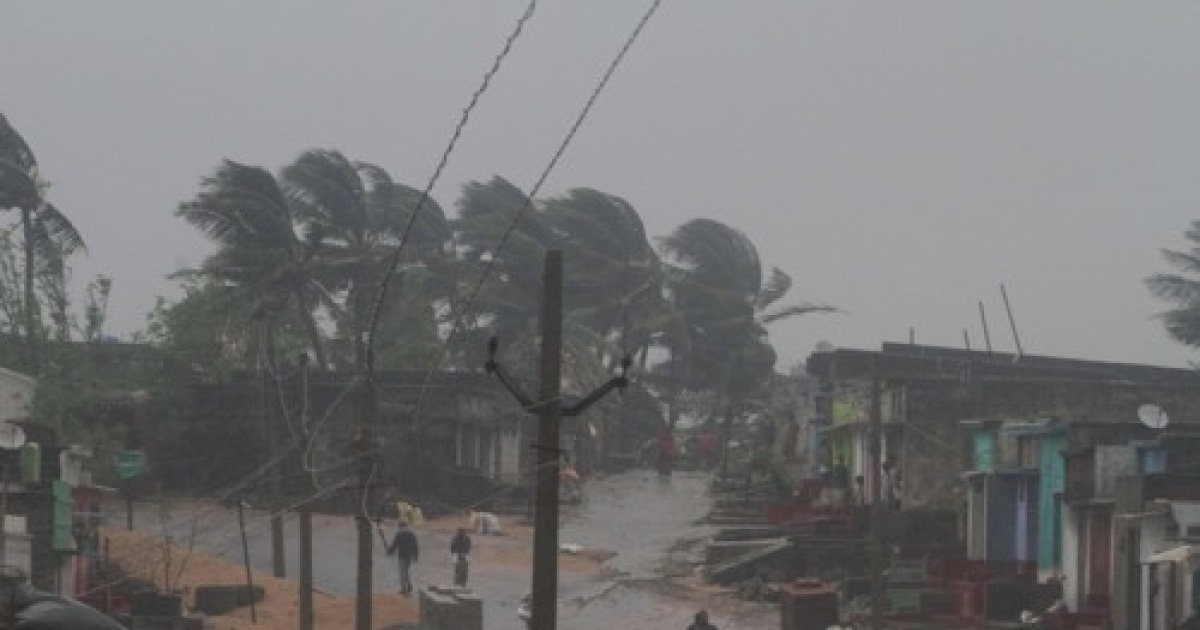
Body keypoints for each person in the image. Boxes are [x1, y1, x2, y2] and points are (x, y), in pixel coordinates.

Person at [386, 521, 419, 595]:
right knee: (406, 571)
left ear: (400, 527)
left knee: (403, 572)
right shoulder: (412, 534)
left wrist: (389, 551)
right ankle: (409, 586)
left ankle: (404, 589)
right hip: (409, 556)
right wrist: (415, 556)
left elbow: (394, 545)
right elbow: (415, 546)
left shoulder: (399, 535)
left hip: (402, 556)